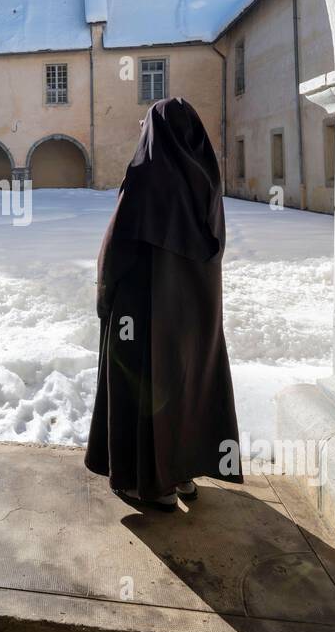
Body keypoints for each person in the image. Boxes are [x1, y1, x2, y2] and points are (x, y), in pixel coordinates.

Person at [85, 97, 241, 511]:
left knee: (145, 392)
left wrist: (104, 294)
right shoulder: (208, 183)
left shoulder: (146, 175)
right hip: (196, 315)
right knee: (187, 387)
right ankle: (182, 474)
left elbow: (116, 247)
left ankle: (149, 485)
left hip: (142, 312)